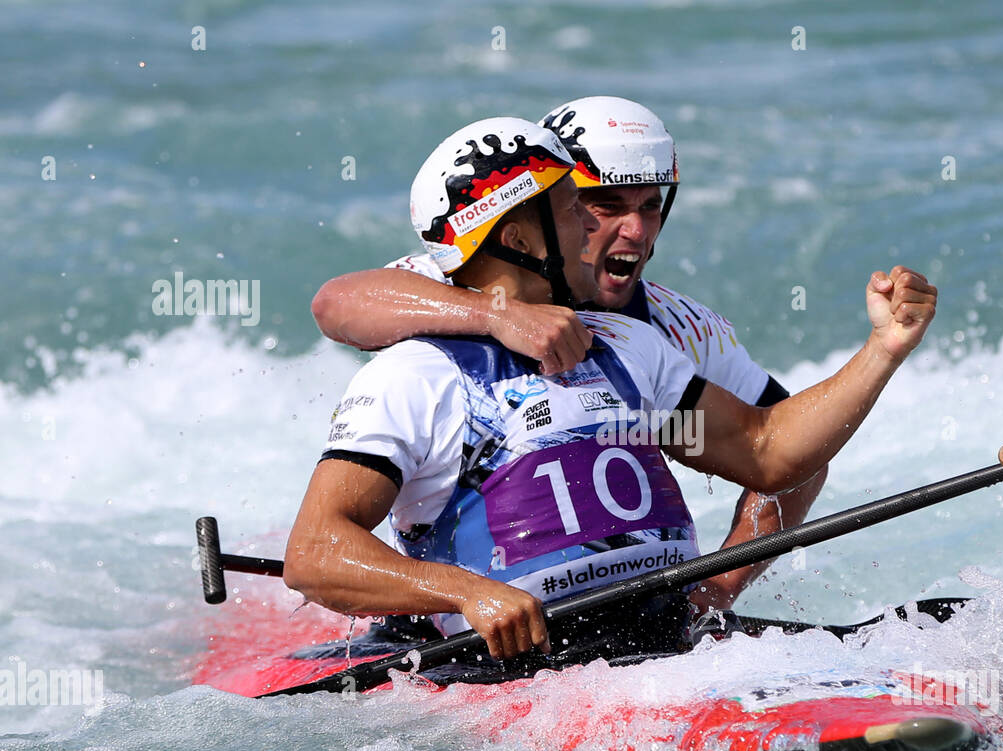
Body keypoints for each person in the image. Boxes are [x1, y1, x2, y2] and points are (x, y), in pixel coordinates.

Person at [284, 117, 938, 675]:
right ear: (517, 237)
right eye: (577, 208)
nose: (602, 231)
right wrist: (465, 593)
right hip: (514, 669)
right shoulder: (414, 372)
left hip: (665, 639)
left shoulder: (634, 341)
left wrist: (882, 349)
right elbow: (314, 552)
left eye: (646, 206)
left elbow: (770, 450)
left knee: (935, 633)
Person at [310, 97, 833, 614]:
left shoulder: (681, 330)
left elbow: (793, 458)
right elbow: (336, 304)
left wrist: (718, 587)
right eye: (603, 204)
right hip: (464, 587)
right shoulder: (464, 272)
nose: (636, 231)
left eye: (650, 205)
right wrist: (499, 315)